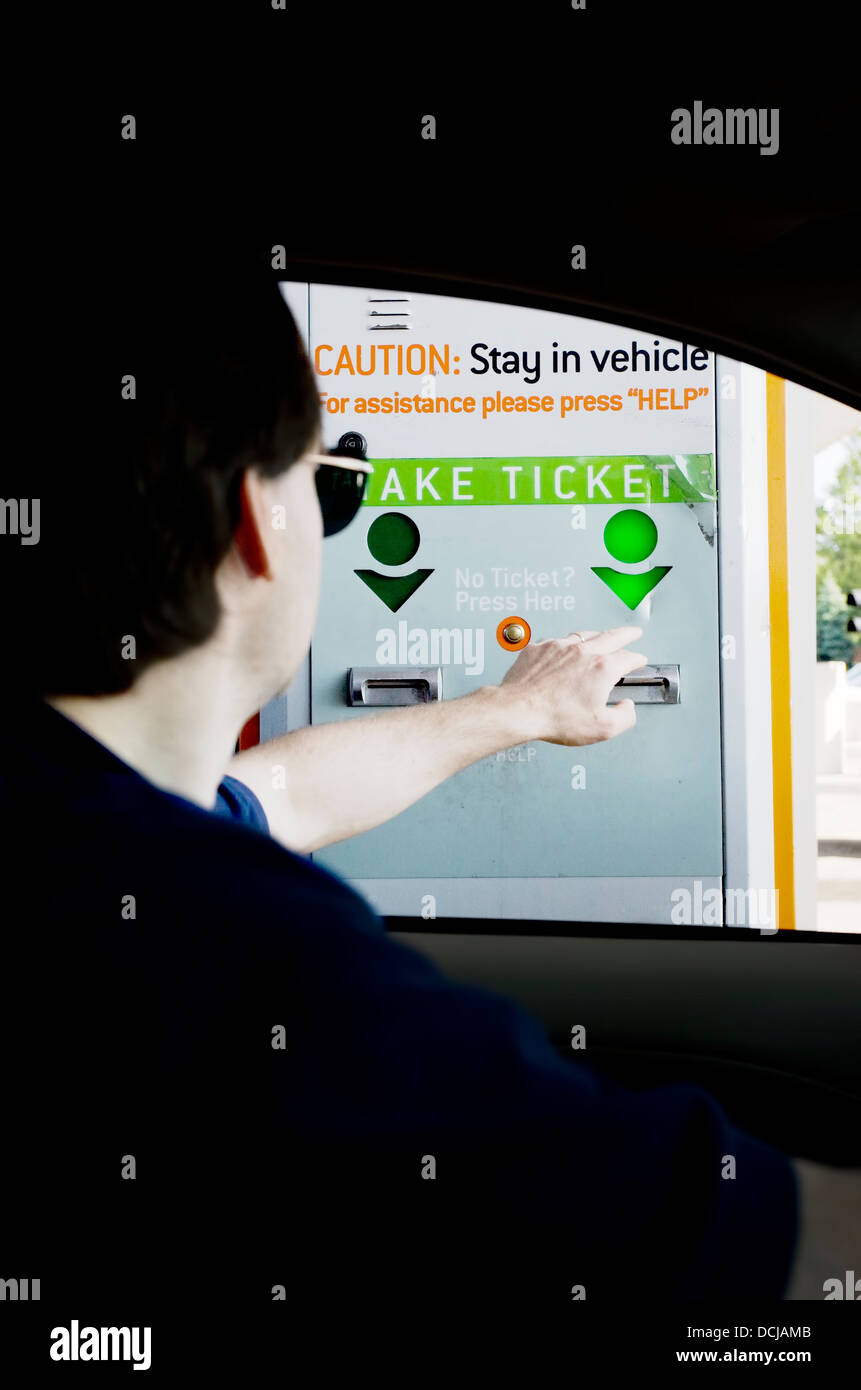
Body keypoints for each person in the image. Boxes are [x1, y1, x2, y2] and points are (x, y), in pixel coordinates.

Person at [0, 266, 854, 1352]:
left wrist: (513, 709)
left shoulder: (74, 825)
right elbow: (799, 1255)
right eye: (333, 487)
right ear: (256, 520)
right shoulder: (227, 950)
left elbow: (283, 790)